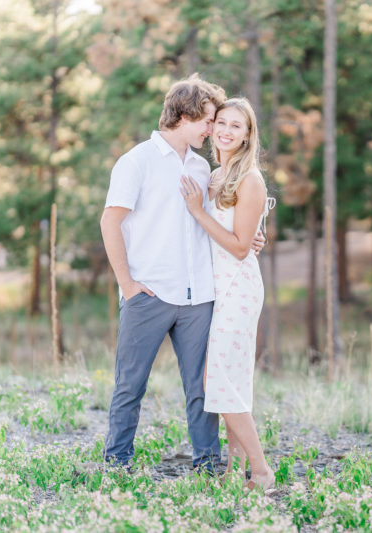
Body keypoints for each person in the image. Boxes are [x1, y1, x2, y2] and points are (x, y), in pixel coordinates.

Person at [100, 74, 264, 473]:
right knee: (130, 385)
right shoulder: (136, 161)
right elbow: (110, 222)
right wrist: (127, 284)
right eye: (208, 120)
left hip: (200, 297)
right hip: (149, 294)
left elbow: (225, 216)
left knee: (202, 389)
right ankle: (117, 464)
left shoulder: (202, 167)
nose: (212, 130)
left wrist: (256, 234)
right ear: (185, 115)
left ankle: (207, 467)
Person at [180, 97, 275, 492]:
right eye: (221, 122)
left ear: (248, 135)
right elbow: (238, 235)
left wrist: (198, 211)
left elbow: (238, 247)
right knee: (228, 380)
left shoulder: (249, 179)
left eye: (237, 125)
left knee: (217, 380)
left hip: (238, 288)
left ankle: (261, 471)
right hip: (217, 289)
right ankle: (236, 473)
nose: (226, 130)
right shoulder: (217, 175)